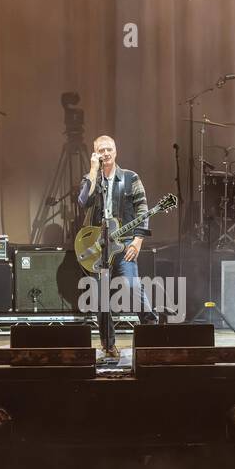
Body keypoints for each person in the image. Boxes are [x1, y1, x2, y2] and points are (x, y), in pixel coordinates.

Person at [76, 135, 156, 360]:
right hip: (100, 248)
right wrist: (93, 171)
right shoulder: (90, 179)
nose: (105, 153)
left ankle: (152, 333)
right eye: (101, 150)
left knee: (132, 286)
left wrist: (138, 240)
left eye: (109, 149)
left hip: (125, 245)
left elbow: (143, 209)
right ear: (95, 153)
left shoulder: (130, 178)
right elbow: (83, 201)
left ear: (116, 151)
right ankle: (108, 345)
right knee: (101, 297)